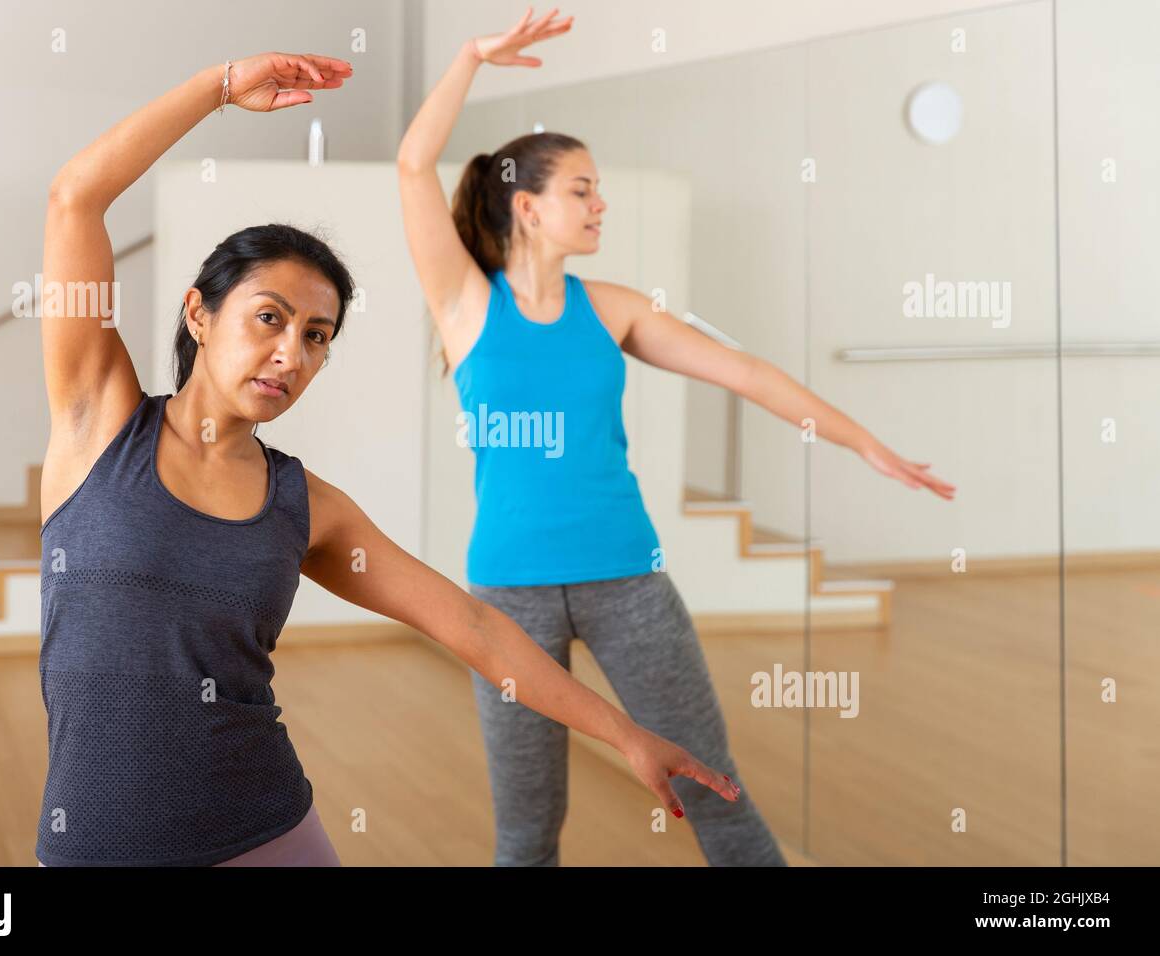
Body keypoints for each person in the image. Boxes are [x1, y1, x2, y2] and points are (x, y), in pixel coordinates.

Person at [36, 50, 741, 868]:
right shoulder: (99, 419)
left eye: (315, 336)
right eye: (268, 317)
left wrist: (623, 732)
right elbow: (74, 199)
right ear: (198, 312)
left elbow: (474, 627)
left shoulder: (304, 507)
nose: (288, 354)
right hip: (95, 843)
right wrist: (221, 88)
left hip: (271, 834)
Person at [396, 7, 957, 866]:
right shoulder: (467, 307)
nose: (599, 203)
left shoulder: (611, 308)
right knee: (527, 826)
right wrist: (472, 55)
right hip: (507, 598)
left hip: (629, 582)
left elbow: (748, 373)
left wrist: (859, 441)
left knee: (712, 785)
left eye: (598, 189)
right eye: (581, 189)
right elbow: (411, 166)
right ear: (528, 207)